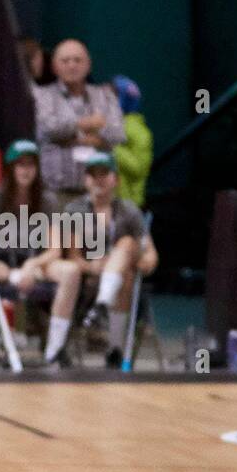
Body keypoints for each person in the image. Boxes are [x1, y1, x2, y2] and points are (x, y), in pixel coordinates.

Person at [0, 139, 80, 369]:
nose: (25, 170)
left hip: (39, 264)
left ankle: (54, 350)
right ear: (10, 169)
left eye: (30, 164)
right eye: (20, 164)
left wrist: (32, 265)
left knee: (71, 271)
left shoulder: (47, 200)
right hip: (5, 265)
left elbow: (55, 249)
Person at [64, 153, 157, 367]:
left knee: (126, 245)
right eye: (93, 174)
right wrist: (96, 265)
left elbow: (150, 253)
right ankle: (115, 348)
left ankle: (103, 308)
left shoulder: (129, 211)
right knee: (124, 268)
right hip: (89, 281)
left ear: (116, 179)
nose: (99, 179)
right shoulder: (74, 211)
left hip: (122, 277)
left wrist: (145, 262)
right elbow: (74, 259)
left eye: (104, 174)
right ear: (85, 180)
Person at [33, 39, 124, 205]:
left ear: (88, 65)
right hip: (56, 193)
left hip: (98, 193)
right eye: (65, 61)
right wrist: (90, 125)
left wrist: (70, 138)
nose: (72, 65)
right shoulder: (42, 95)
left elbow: (118, 134)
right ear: (54, 66)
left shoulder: (105, 95)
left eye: (77, 60)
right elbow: (48, 129)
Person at [111, 74, 151, 208]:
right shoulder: (111, 125)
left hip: (128, 205)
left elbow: (139, 169)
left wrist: (113, 147)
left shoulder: (138, 131)